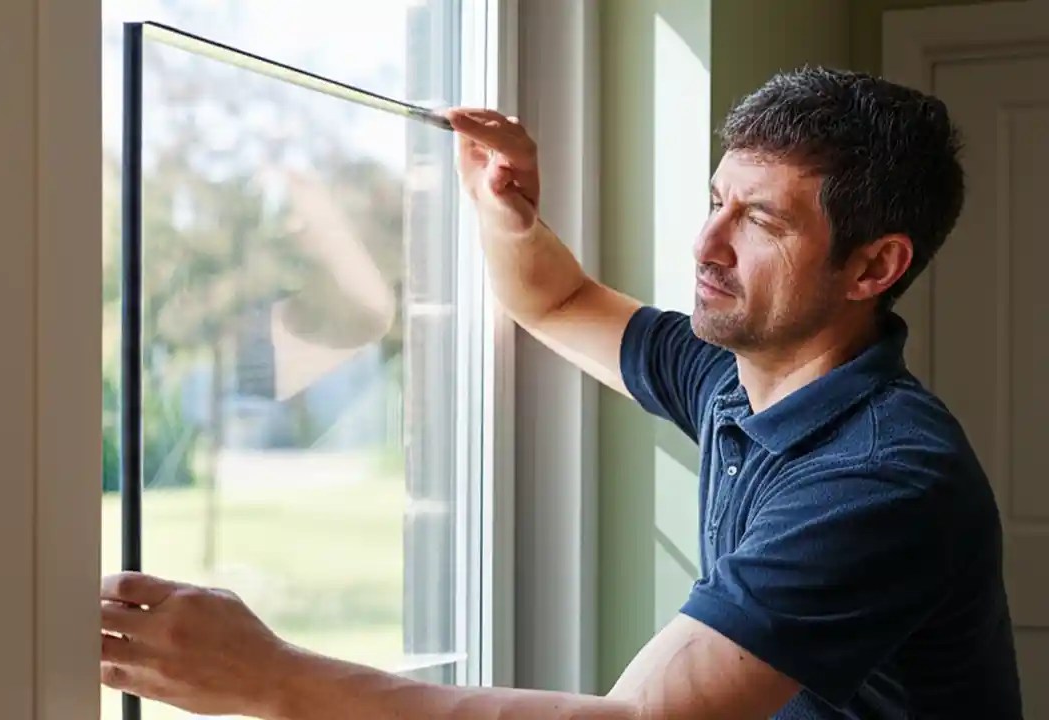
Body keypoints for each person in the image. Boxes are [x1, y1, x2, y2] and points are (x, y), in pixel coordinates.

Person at [100, 67, 1023, 719]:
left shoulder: (882, 479)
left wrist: (273, 680)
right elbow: (560, 300)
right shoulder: (735, 376)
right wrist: (508, 211)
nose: (706, 244)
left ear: (874, 266)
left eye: (762, 221)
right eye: (717, 199)